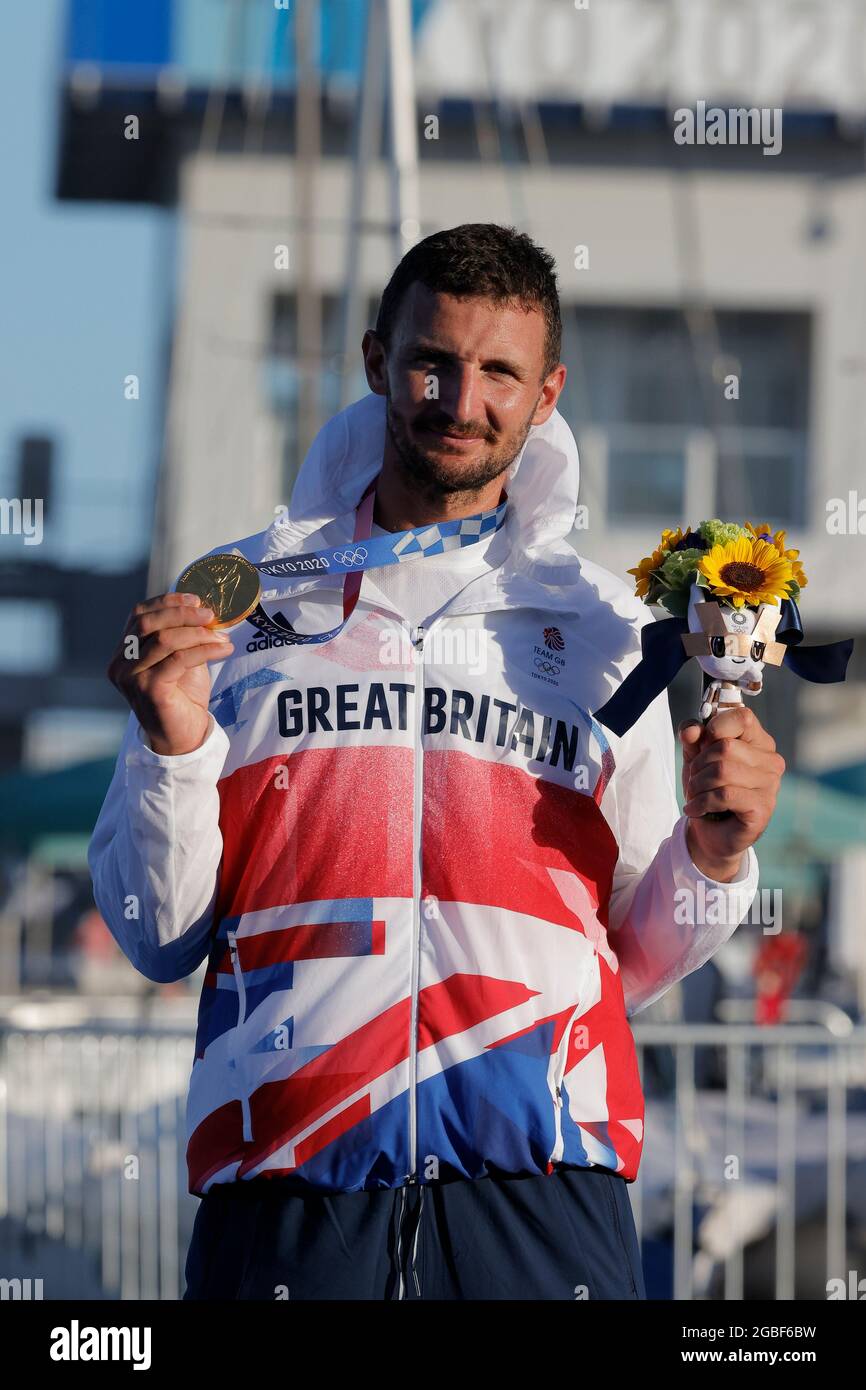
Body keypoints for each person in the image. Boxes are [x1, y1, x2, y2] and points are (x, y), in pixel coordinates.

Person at [88, 223, 784, 1300]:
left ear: (545, 392)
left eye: (498, 371)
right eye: (433, 361)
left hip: (541, 1181)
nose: (461, 401)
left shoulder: (603, 629)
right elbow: (157, 935)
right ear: (376, 361)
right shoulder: (242, 603)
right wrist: (169, 750)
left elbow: (636, 955)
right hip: (289, 1179)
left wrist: (714, 860)